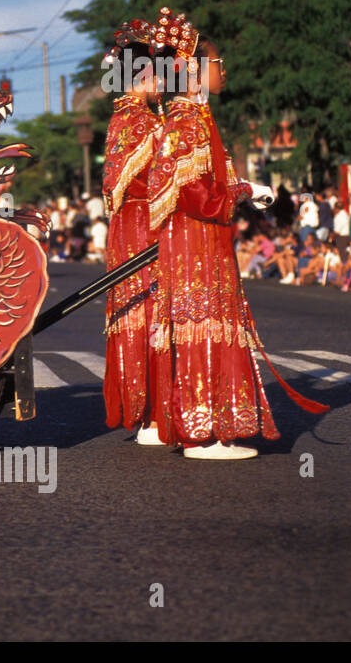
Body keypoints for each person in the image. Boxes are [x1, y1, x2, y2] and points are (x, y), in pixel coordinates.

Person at [147, 26, 326, 459]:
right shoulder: (187, 122)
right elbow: (193, 194)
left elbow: (205, 184)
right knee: (203, 324)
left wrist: (243, 186)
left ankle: (209, 426)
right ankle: (205, 431)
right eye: (216, 62)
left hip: (201, 239)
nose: (222, 70)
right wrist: (240, 194)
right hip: (196, 242)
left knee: (208, 323)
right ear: (191, 70)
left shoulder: (192, 118)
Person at [101, 23, 164, 444]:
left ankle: (145, 413)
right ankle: (154, 415)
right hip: (145, 224)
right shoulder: (142, 120)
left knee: (134, 310)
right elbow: (160, 179)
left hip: (128, 224)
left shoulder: (123, 115)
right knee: (150, 309)